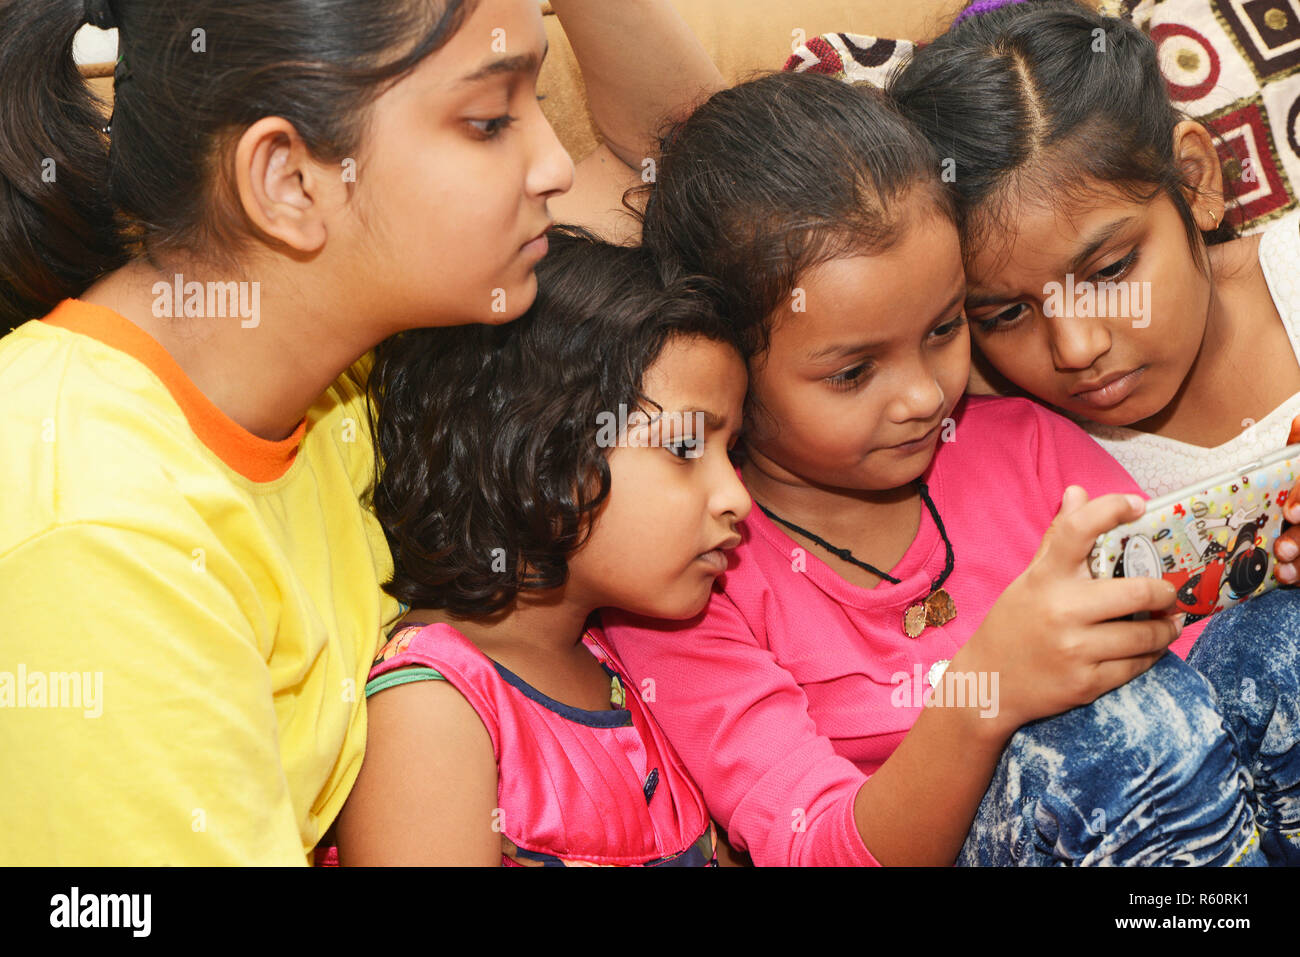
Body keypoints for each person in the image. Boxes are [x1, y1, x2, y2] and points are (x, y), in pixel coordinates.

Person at [0, 0, 721, 864]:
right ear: (290, 181)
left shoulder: (346, 370)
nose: (556, 164)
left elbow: (698, 176)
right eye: (490, 121)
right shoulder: (98, 536)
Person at [601, 70, 1295, 866]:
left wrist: (1252, 564)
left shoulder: (1020, 441)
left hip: (1190, 832)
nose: (925, 394)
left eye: (942, 328)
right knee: (1111, 737)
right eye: (853, 372)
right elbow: (813, 848)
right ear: (730, 367)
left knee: (1276, 635)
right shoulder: (691, 577)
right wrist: (986, 692)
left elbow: (1201, 663)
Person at [335, 228, 748, 865]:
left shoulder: (621, 667)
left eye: (733, 453)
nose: (735, 498)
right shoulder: (432, 706)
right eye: (686, 447)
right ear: (540, 451)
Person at [891, 1, 1300, 506]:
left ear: (1194, 182)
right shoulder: (993, 432)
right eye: (1007, 314)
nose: (1076, 349)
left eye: (1108, 271)